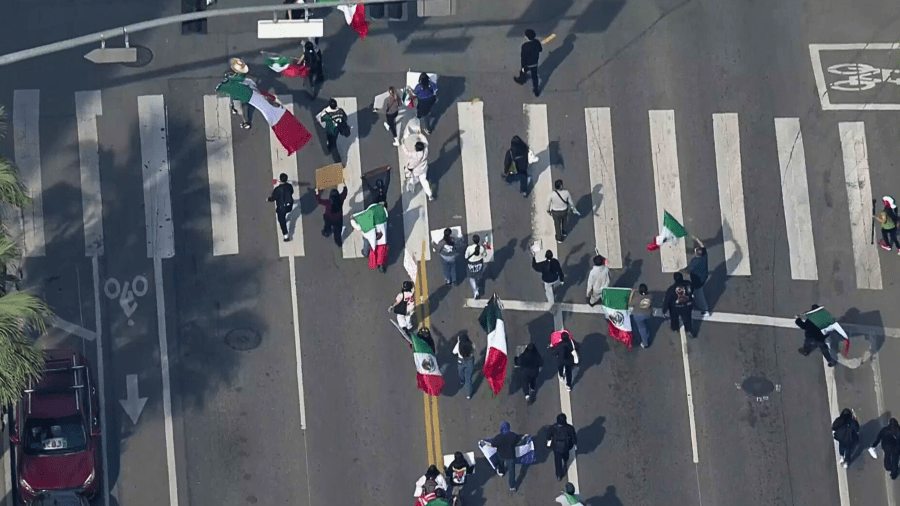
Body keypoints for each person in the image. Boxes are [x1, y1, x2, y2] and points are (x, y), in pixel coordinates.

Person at [402, 124, 434, 201]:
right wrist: (420, 134)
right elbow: (425, 141)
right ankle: (430, 195)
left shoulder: (414, 155)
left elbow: (407, 153)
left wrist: (403, 144)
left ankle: (411, 189)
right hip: (423, 168)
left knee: (412, 180)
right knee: (424, 181)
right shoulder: (425, 150)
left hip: (416, 171)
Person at [488, 421, 521, 491]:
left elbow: (492, 444)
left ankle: (501, 472)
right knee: (512, 472)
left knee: (501, 464)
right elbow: (519, 440)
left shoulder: (498, 438)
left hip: (501, 455)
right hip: (510, 456)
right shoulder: (513, 436)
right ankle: (512, 486)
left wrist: (485, 443)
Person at [547, 413, 577, 481]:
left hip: (556, 447)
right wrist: (574, 444)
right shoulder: (569, 428)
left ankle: (558, 475)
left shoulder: (553, 428)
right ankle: (565, 464)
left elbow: (548, 436)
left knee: (557, 461)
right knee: (566, 456)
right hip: (566, 447)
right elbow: (573, 438)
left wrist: (549, 444)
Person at [663, 272, 694, 337]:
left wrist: (664, 310)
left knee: (674, 319)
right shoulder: (688, 284)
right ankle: (689, 330)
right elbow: (692, 291)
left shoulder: (671, 289)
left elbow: (667, 300)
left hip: (675, 308)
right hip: (687, 306)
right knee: (687, 319)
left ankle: (675, 328)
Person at [514, 29, 542, 97]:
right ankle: (536, 90)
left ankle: (521, 80)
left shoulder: (525, 46)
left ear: (527, 37)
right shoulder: (537, 42)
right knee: (534, 77)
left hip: (527, 65)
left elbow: (523, 58)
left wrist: (523, 66)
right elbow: (540, 50)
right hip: (535, 64)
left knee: (522, 71)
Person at [267, 173, 294, 241]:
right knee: (286, 213)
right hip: (289, 206)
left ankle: (286, 235)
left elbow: (273, 198)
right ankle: (287, 216)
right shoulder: (289, 186)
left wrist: (268, 199)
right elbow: (291, 192)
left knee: (282, 221)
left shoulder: (278, 189)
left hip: (281, 208)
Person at [689, 237, 710, 315]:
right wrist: (697, 239)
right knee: (697, 291)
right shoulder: (704, 256)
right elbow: (703, 246)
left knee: (699, 294)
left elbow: (689, 270)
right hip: (703, 277)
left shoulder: (695, 262)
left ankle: (704, 308)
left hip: (698, 281)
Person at [453, 332, 475, 399]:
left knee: (460, 371)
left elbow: (454, 352)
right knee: (468, 378)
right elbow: (474, 349)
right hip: (470, 361)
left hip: (461, 361)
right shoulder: (471, 344)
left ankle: (462, 380)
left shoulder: (459, 345)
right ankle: (468, 394)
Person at [630, 284, 653, 348]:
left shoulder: (637, 298)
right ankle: (645, 343)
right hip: (648, 314)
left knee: (642, 329)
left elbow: (630, 304)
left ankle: (645, 343)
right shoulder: (650, 296)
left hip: (638, 316)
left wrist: (632, 294)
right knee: (644, 324)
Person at [465, 235, 487, 299]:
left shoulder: (469, 248)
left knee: (472, 278)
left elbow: (466, 257)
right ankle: (478, 285)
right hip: (479, 263)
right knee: (478, 276)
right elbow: (485, 255)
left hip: (471, 264)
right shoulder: (481, 248)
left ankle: (475, 291)